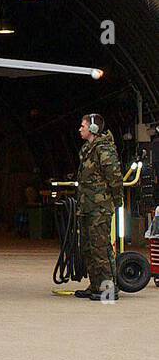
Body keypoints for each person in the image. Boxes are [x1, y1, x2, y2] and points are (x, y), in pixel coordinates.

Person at [74, 113, 124, 301]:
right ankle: (96, 286)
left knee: (101, 248)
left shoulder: (104, 150)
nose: (80, 129)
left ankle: (108, 290)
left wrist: (116, 201)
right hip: (88, 207)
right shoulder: (89, 149)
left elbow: (115, 178)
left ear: (93, 129)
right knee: (89, 247)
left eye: (83, 126)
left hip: (99, 208)